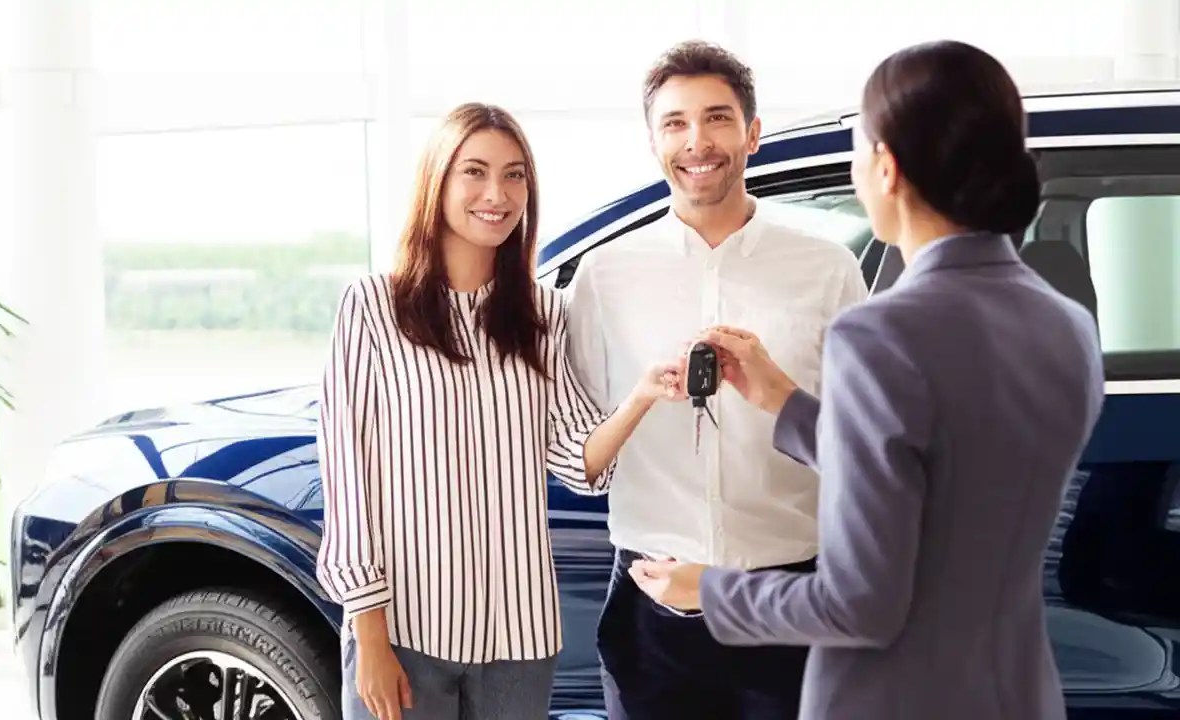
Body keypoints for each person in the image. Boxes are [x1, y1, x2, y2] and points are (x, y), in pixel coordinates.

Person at [629, 40, 1106, 720]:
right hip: (1017, 692)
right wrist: (785, 404)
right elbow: (937, 476)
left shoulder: (881, 335)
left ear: (885, 168)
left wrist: (709, 590)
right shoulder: (1066, 326)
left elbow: (858, 606)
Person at [315, 102, 683, 720]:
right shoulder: (373, 308)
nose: (497, 193)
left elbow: (574, 457)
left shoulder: (541, 315)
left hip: (519, 634)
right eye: (476, 172)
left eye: (515, 175)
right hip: (405, 629)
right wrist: (368, 630)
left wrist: (642, 395)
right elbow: (348, 475)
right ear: (438, 181)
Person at [564, 41, 868, 719]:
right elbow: (581, 438)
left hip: (789, 598)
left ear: (752, 134)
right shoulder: (604, 276)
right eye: (675, 123)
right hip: (653, 604)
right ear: (653, 142)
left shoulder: (827, 270)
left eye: (717, 118)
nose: (697, 140)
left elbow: (860, 438)